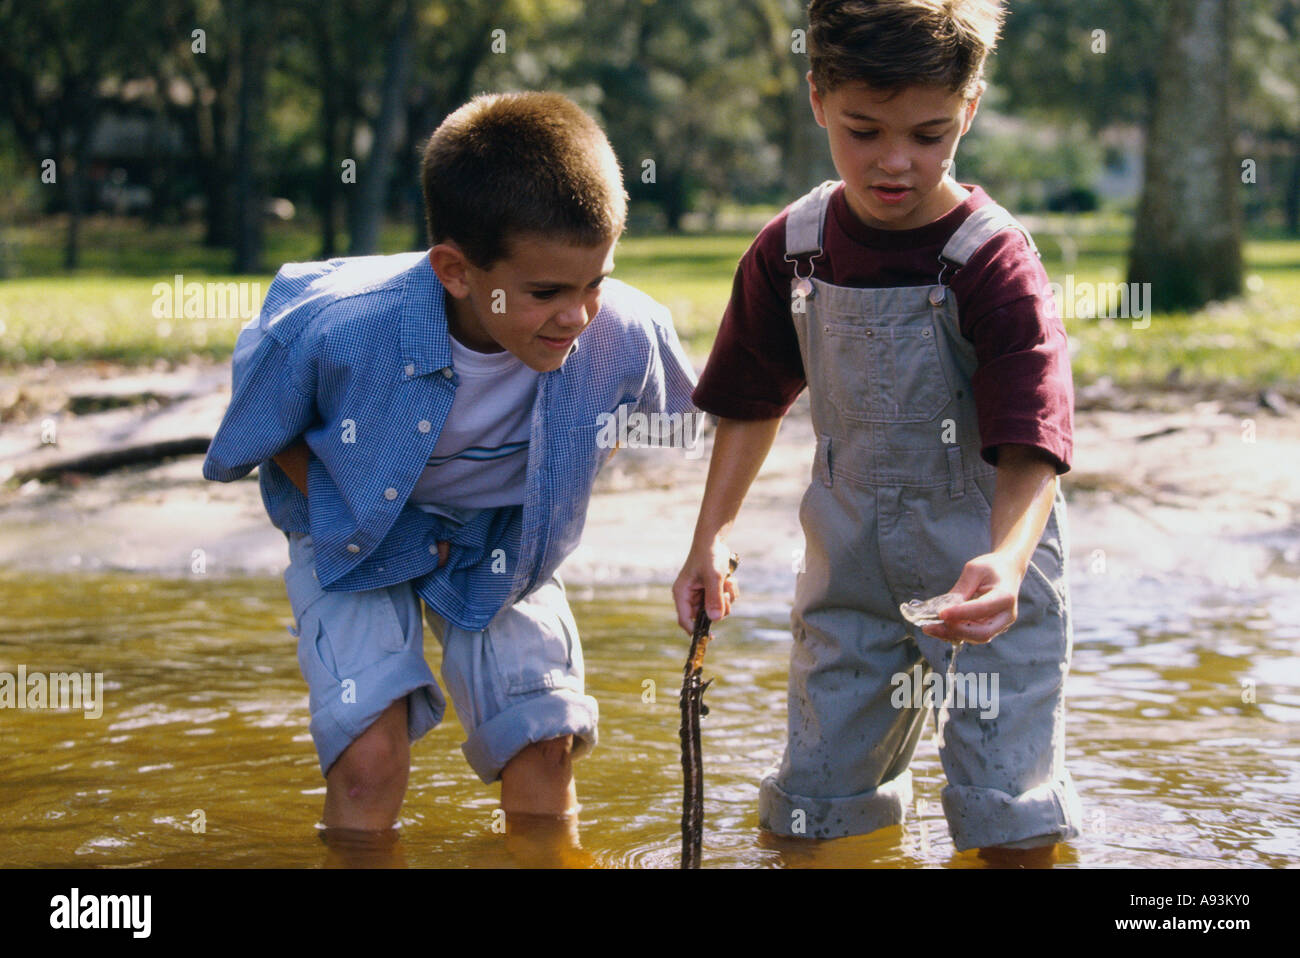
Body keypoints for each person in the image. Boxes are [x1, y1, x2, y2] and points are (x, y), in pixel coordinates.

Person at [204, 91, 698, 857]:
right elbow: (264, 437)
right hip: (354, 537)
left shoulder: (625, 333)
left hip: (503, 542)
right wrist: (361, 513)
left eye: (594, 282)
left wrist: (711, 543)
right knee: (369, 756)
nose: (577, 316)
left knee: (545, 741)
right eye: (545, 294)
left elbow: (704, 422)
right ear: (457, 272)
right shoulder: (335, 329)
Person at [672, 0, 1081, 863]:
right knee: (814, 813)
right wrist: (712, 537)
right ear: (818, 99)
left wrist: (1007, 562)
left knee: (1006, 812)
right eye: (864, 131)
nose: (896, 162)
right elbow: (749, 401)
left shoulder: (993, 261)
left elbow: (1031, 436)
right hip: (847, 565)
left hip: (987, 566)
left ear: (968, 111)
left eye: (930, 135)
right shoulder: (793, 249)